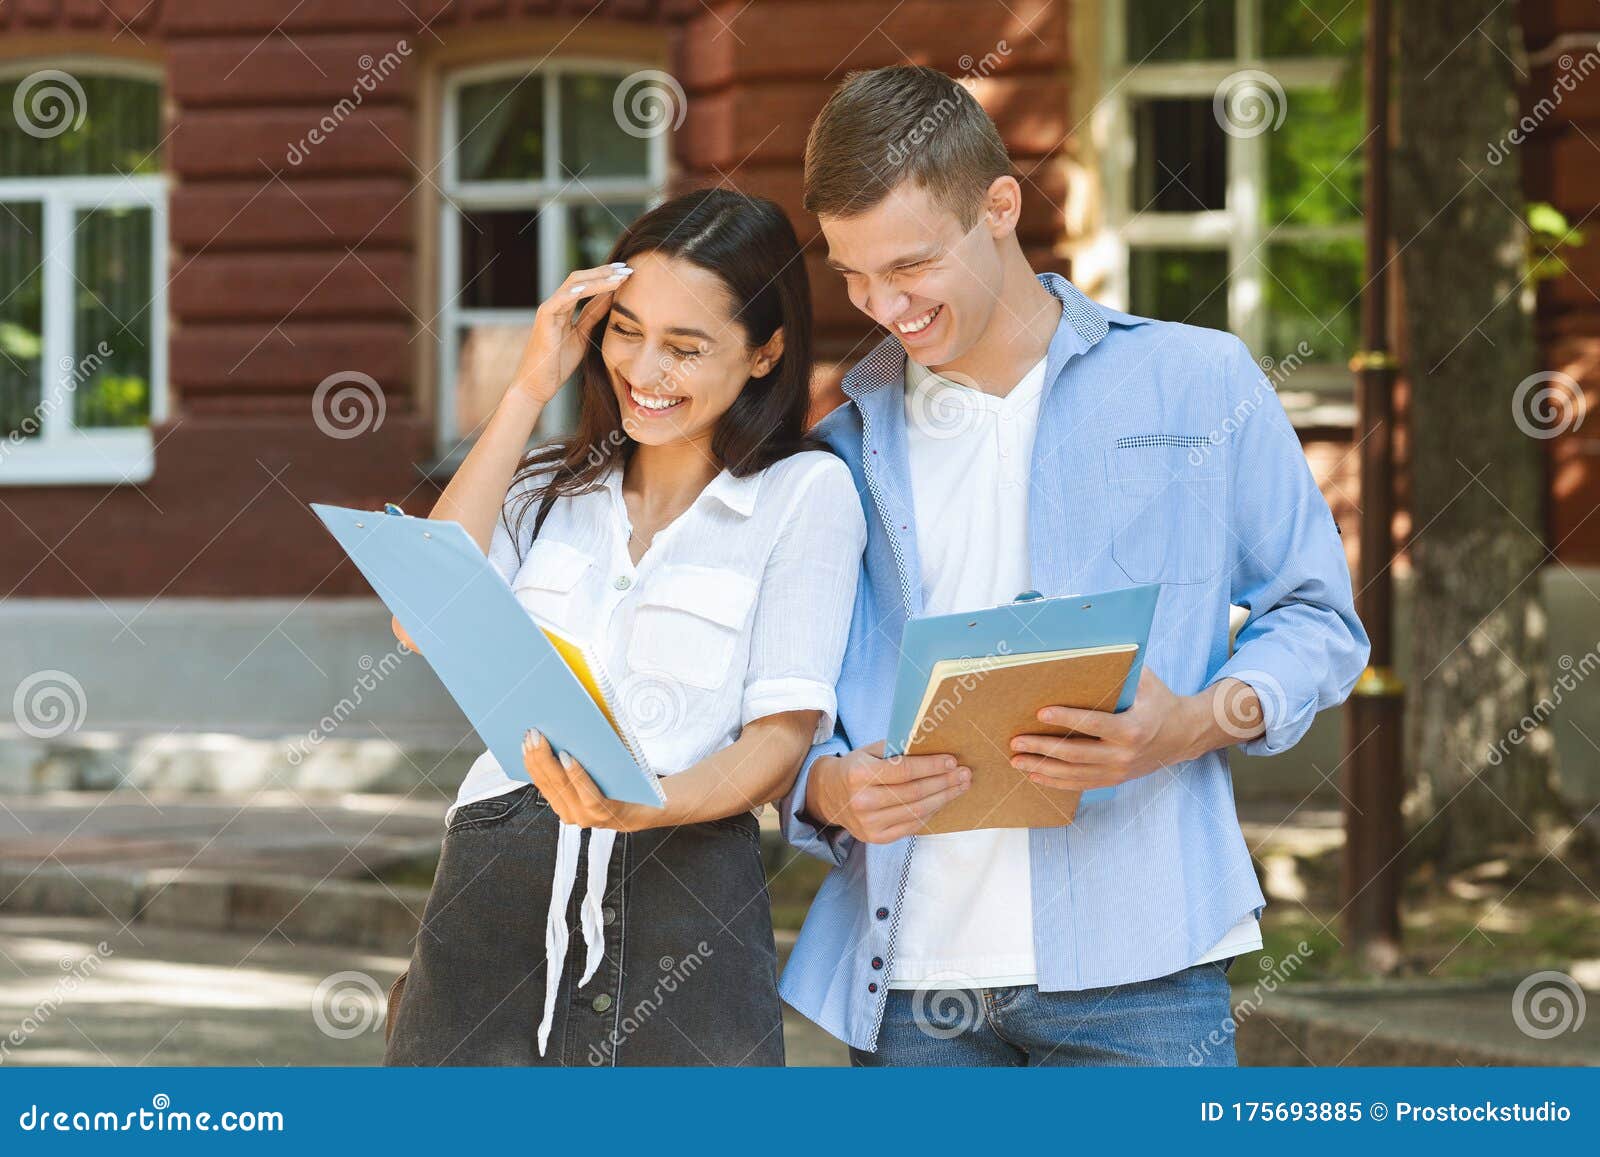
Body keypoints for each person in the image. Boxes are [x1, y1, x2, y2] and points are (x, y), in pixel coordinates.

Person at [778, 66, 1370, 1066]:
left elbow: (1318, 619)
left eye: (910, 264)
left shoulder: (1197, 382)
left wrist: (1189, 721)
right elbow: (790, 691)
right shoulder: (838, 447)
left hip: (1144, 962)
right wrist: (826, 788)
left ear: (998, 207)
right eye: (852, 274)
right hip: (913, 982)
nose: (883, 304)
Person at [383, 188, 866, 1066]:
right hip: (497, 882)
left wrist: (646, 804)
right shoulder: (540, 491)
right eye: (626, 330)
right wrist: (531, 385)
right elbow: (422, 614)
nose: (645, 371)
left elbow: (783, 735)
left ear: (766, 353)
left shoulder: (805, 496)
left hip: (685, 888)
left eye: (686, 348)